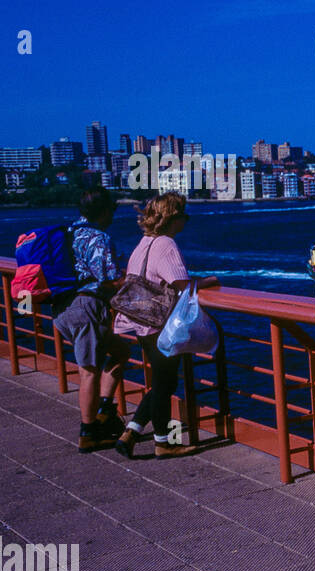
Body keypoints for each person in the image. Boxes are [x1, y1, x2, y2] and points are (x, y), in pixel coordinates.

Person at [113, 194, 216, 459]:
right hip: (159, 324)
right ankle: (163, 443)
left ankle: (132, 432)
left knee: (163, 381)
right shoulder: (167, 244)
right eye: (184, 214)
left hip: (140, 320)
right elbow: (182, 285)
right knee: (164, 384)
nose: (186, 220)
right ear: (173, 218)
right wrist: (209, 281)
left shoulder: (145, 242)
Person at [50, 189, 130, 453]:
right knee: (88, 371)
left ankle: (106, 411)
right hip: (86, 308)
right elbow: (109, 281)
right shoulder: (98, 238)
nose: (113, 216)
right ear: (104, 211)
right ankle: (89, 433)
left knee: (120, 351)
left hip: (63, 308)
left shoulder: (67, 234)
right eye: (112, 211)